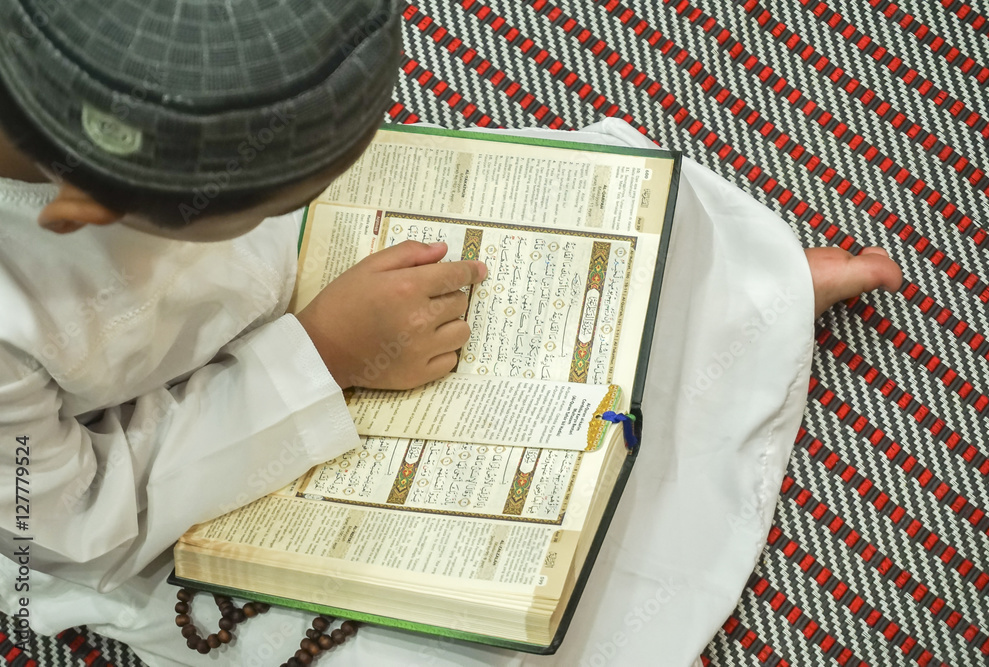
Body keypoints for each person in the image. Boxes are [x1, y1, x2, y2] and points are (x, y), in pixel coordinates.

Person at [0, 1, 902, 665]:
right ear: (84, 211)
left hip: (297, 284)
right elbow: (72, 521)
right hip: (160, 462)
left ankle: (729, 298)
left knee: (606, 202)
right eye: (270, 203)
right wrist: (319, 359)